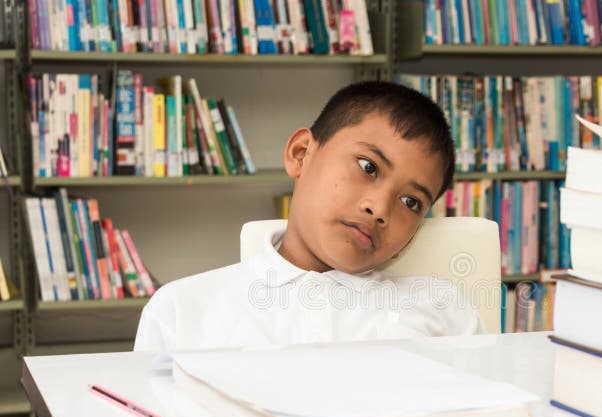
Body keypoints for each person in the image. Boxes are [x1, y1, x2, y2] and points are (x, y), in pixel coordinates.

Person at [134, 81, 486, 353]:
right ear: (301, 154)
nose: (379, 209)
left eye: (410, 201)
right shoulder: (182, 311)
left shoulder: (442, 309)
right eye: (368, 167)